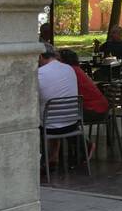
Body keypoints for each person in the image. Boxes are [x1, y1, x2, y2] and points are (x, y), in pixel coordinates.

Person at [38, 43, 80, 171]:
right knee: (51, 113)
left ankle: (38, 161)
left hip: (51, 127)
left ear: (39, 56)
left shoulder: (39, 74)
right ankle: (54, 157)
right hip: (72, 123)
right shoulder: (69, 68)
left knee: (39, 117)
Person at [58, 49, 109, 119]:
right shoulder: (76, 69)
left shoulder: (69, 71)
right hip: (100, 107)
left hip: (93, 110)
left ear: (62, 61)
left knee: (56, 115)